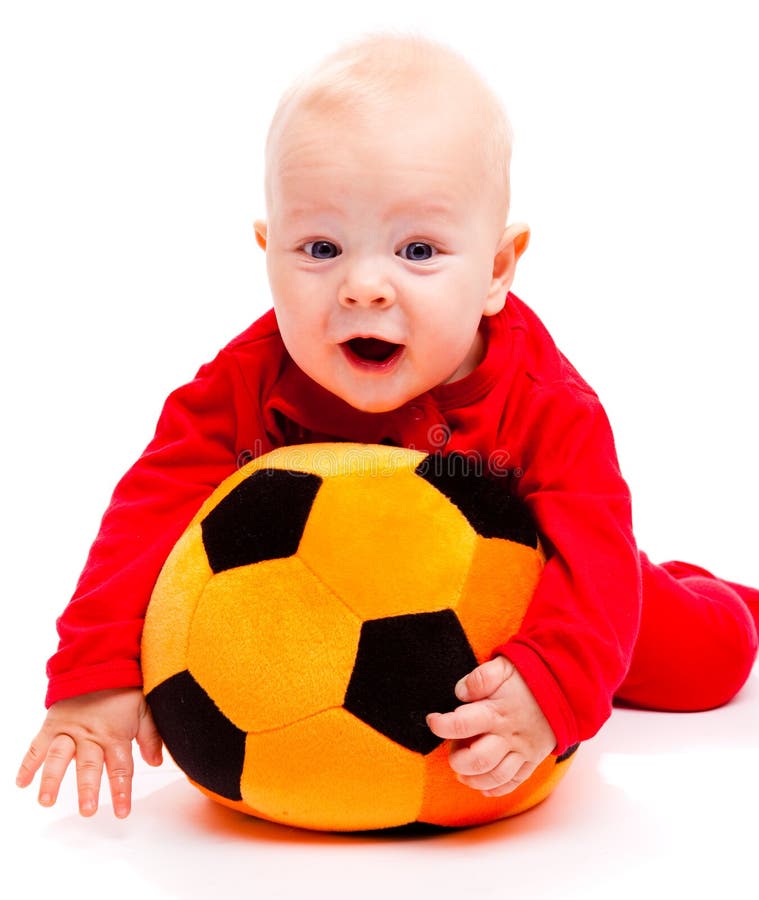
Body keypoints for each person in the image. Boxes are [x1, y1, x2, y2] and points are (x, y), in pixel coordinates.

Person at [17, 33, 759, 821]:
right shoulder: (245, 382)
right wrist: (96, 675)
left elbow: (591, 546)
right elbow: (150, 510)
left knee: (700, 663)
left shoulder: (546, 403)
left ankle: (730, 603)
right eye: (321, 248)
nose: (364, 286)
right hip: (341, 596)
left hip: (549, 584)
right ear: (267, 253)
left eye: (417, 250)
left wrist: (552, 681)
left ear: (496, 271)